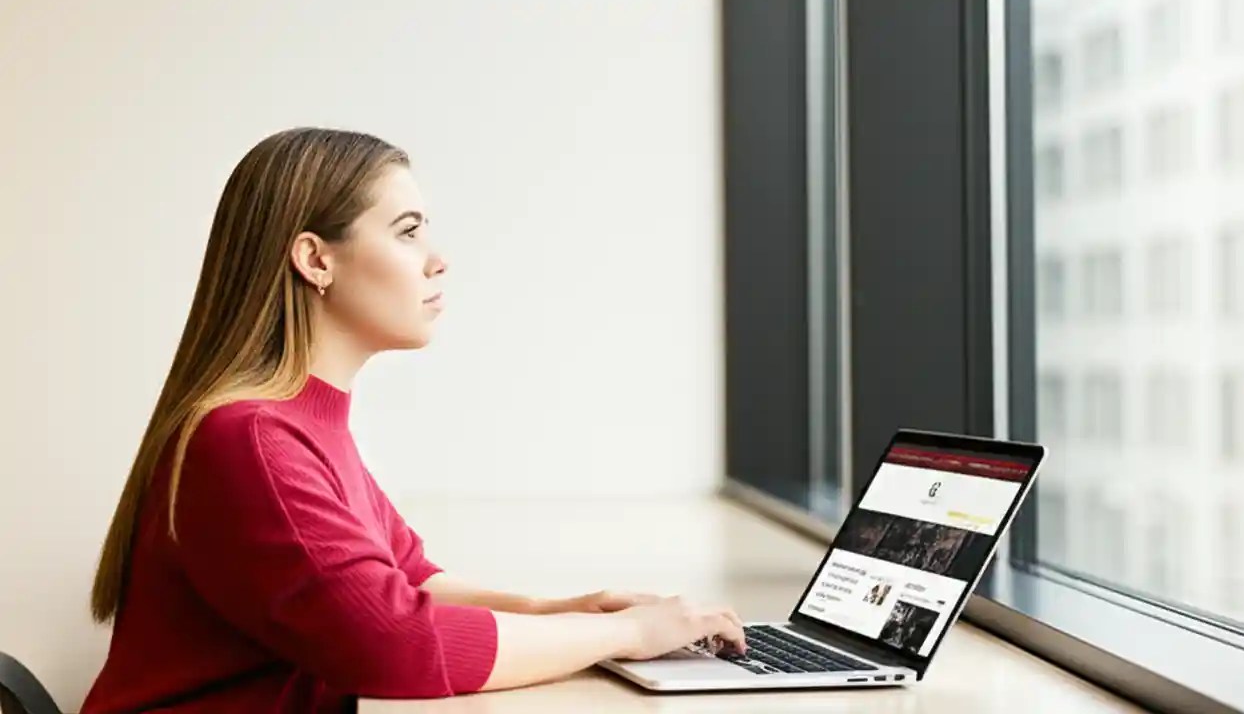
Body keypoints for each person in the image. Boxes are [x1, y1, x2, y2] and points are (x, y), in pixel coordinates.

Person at [80, 127, 747, 713]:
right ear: (316, 259)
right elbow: (395, 644)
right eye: (407, 231)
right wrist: (626, 635)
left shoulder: (299, 422)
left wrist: (560, 611)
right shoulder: (250, 438)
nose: (438, 258)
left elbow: (411, 578)